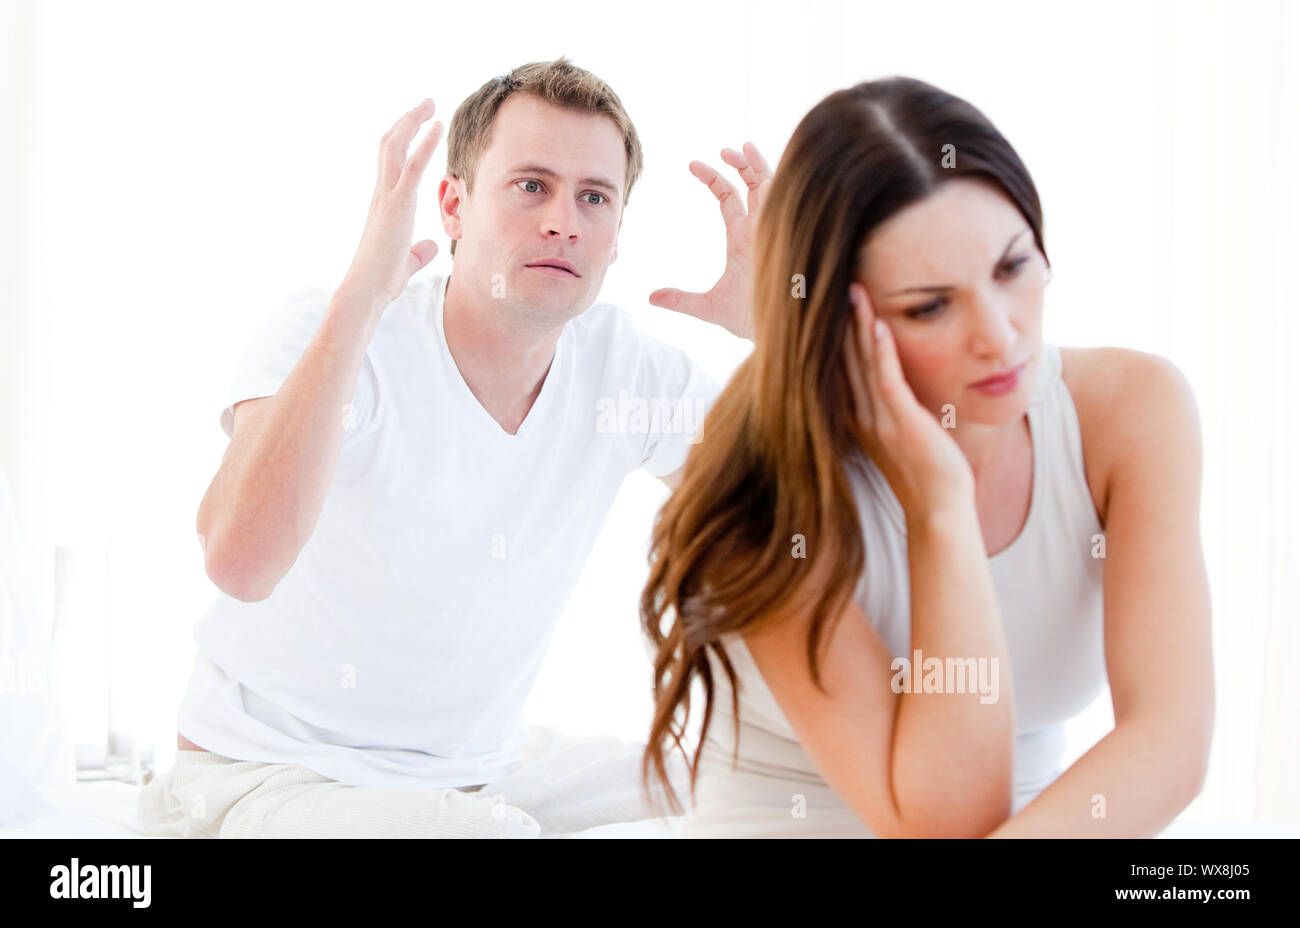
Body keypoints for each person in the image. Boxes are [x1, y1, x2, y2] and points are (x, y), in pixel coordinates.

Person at [138, 58, 770, 838]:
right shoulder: (331, 331)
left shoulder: (625, 370)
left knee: (762, 776)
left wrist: (780, 337)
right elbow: (239, 562)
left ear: (615, 239)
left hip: (475, 769)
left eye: (594, 197)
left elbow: (804, 533)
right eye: (532, 185)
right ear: (453, 206)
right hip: (263, 775)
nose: (563, 221)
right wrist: (360, 298)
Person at [639, 75, 1214, 838]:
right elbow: (943, 820)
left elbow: (1170, 743)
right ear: (842, 325)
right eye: (931, 306)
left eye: (1012, 267)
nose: (1001, 336)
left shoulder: (1133, 409)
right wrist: (939, 507)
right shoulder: (762, 487)